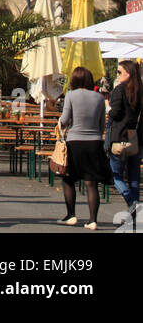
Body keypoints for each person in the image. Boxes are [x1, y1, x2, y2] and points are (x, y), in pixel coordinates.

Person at [57, 66, 112, 229]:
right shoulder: (99, 98)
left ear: (74, 80)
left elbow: (65, 119)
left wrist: (60, 123)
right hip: (95, 142)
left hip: (75, 142)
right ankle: (93, 220)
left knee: (68, 179)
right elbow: (102, 124)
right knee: (91, 182)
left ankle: (71, 215)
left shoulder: (71, 95)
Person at [107, 59, 141, 224]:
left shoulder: (119, 90)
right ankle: (135, 213)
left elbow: (116, 114)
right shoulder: (140, 90)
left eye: (120, 72)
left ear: (129, 73)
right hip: (136, 138)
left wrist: (108, 108)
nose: (117, 75)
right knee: (134, 176)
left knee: (116, 175)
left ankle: (132, 203)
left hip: (120, 138)